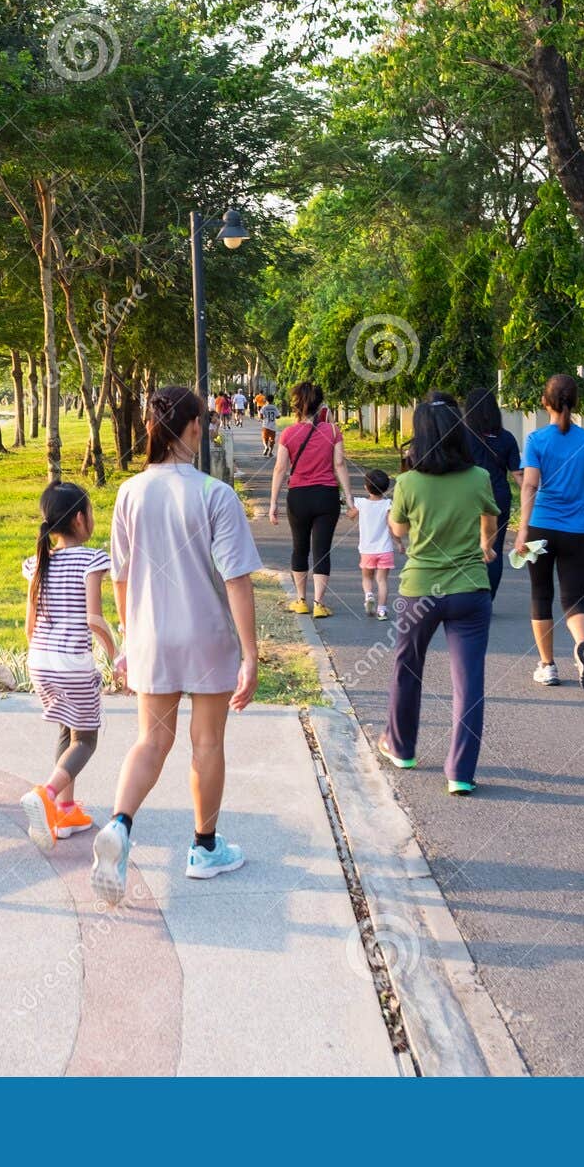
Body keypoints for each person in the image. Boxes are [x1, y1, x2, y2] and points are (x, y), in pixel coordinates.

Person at [92, 386, 263, 905]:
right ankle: (204, 848)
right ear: (192, 428)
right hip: (206, 636)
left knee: (151, 741)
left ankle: (120, 826)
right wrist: (251, 653)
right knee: (206, 743)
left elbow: (120, 576)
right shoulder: (215, 494)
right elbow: (236, 579)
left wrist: (126, 638)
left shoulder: (129, 493)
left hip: (150, 636)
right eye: (203, 423)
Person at [378, 393, 499, 795]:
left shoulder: (409, 483)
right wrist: (485, 544)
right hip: (470, 590)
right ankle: (460, 773)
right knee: (469, 682)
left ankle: (401, 747)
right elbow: (491, 520)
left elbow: (397, 531)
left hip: (420, 592)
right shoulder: (479, 478)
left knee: (406, 668)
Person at [19, 482, 119, 851]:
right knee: (86, 739)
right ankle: (46, 794)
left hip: (39, 661)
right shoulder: (91, 559)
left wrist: (46, 658)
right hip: (73, 663)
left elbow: (29, 626)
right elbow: (94, 619)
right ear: (80, 519)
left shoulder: (37, 563)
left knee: (67, 726)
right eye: (91, 511)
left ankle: (62, 810)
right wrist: (114, 653)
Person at [515, 374, 584, 691]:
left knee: (541, 595)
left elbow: (531, 484)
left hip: (541, 526)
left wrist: (523, 530)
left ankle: (548, 666)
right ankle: (581, 648)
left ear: (545, 402)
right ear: (575, 402)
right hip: (577, 529)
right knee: (575, 599)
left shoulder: (536, 440)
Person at [267, 380, 355, 618]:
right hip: (326, 495)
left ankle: (301, 600)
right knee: (322, 549)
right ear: (320, 405)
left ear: (295, 407)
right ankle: (319, 603)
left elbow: (280, 469)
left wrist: (273, 502)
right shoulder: (333, 431)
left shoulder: (288, 433)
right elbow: (339, 464)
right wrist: (349, 498)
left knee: (300, 547)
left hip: (299, 497)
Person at [463, 387, 522, 601]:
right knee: (494, 547)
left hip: (468, 496)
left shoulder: (462, 437)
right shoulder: (507, 438)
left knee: (469, 544)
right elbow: (518, 474)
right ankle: (488, 597)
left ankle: (470, 594)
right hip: (499, 496)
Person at [354, 468, 400, 620]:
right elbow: (392, 527)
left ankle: (368, 595)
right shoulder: (388, 504)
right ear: (386, 487)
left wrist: (347, 502)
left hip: (367, 549)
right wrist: (399, 543)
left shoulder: (361, 503)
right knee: (382, 580)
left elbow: (350, 515)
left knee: (367, 577)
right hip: (385, 549)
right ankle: (382, 610)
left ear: (366, 487)